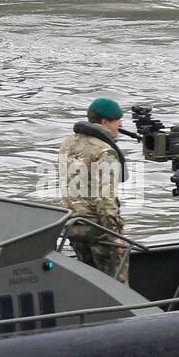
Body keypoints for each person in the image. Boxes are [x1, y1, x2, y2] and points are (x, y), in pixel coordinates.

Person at [57, 97, 130, 284]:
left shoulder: (68, 143)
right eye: (117, 120)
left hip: (73, 224)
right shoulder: (105, 151)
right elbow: (105, 197)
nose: (120, 125)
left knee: (89, 283)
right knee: (115, 285)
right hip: (98, 228)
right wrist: (115, 235)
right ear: (105, 122)